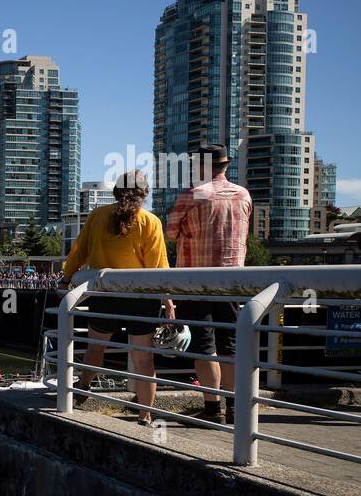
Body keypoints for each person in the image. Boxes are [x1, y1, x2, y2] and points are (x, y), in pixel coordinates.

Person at [63, 170, 174, 426]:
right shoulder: (150, 221)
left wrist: (66, 277)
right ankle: (145, 415)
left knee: (96, 347)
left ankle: (83, 389)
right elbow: (159, 266)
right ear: (144, 193)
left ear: (116, 191)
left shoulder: (98, 216)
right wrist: (168, 301)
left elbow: (80, 250)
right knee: (143, 358)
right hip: (141, 297)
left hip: (104, 293)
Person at [165, 144, 253, 425]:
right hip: (233, 282)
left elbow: (170, 232)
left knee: (204, 346)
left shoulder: (192, 196)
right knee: (231, 347)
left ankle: (212, 409)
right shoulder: (243, 194)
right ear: (225, 165)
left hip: (196, 280)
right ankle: (234, 408)